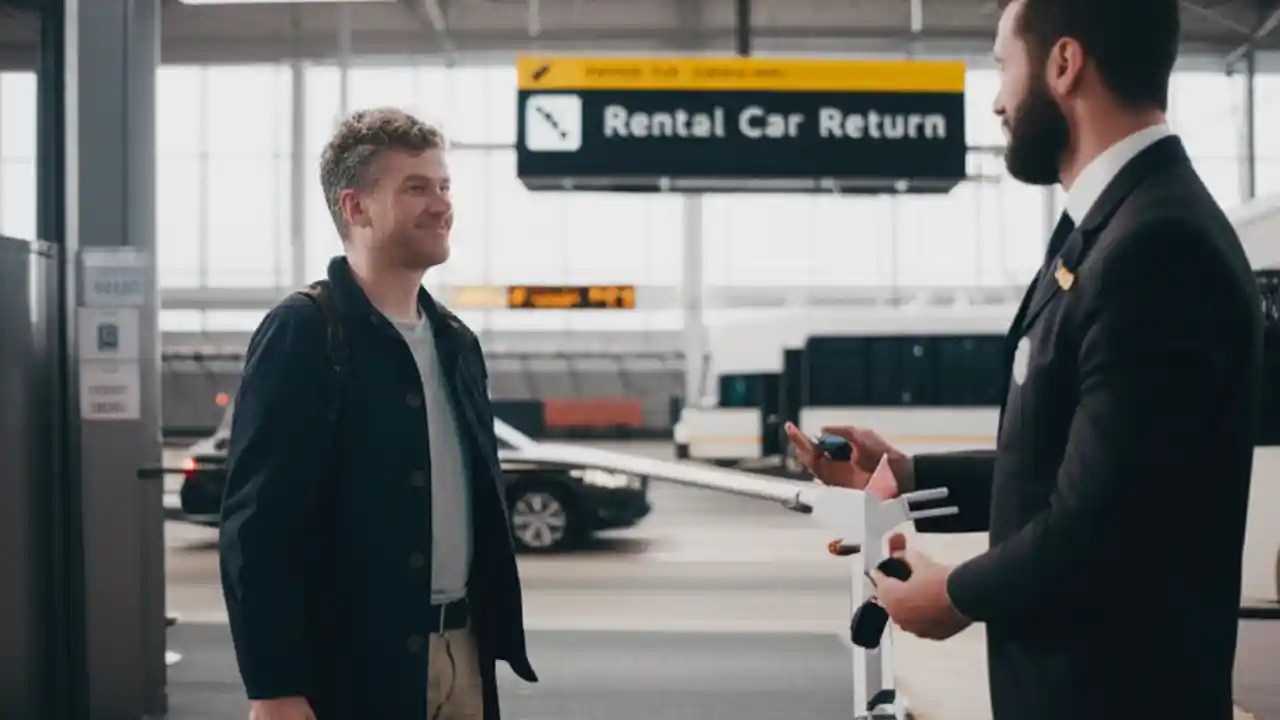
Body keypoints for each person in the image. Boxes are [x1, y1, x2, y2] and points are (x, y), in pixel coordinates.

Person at [787, 1, 1263, 718]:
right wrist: (908, 477)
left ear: (1064, 65)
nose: (999, 99)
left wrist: (953, 593)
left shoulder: (1156, 246)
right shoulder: (1111, 230)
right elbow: (1080, 466)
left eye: (1003, 63)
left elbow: (1102, 521)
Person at [219, 107, 537, 720]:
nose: (442, 205)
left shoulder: (455, 341)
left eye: (444, 186)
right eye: (416, 188)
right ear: (357, 207)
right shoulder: (307, 332)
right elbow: (257, 527)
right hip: (354, 668)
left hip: (463, 653)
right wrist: (275, 687)